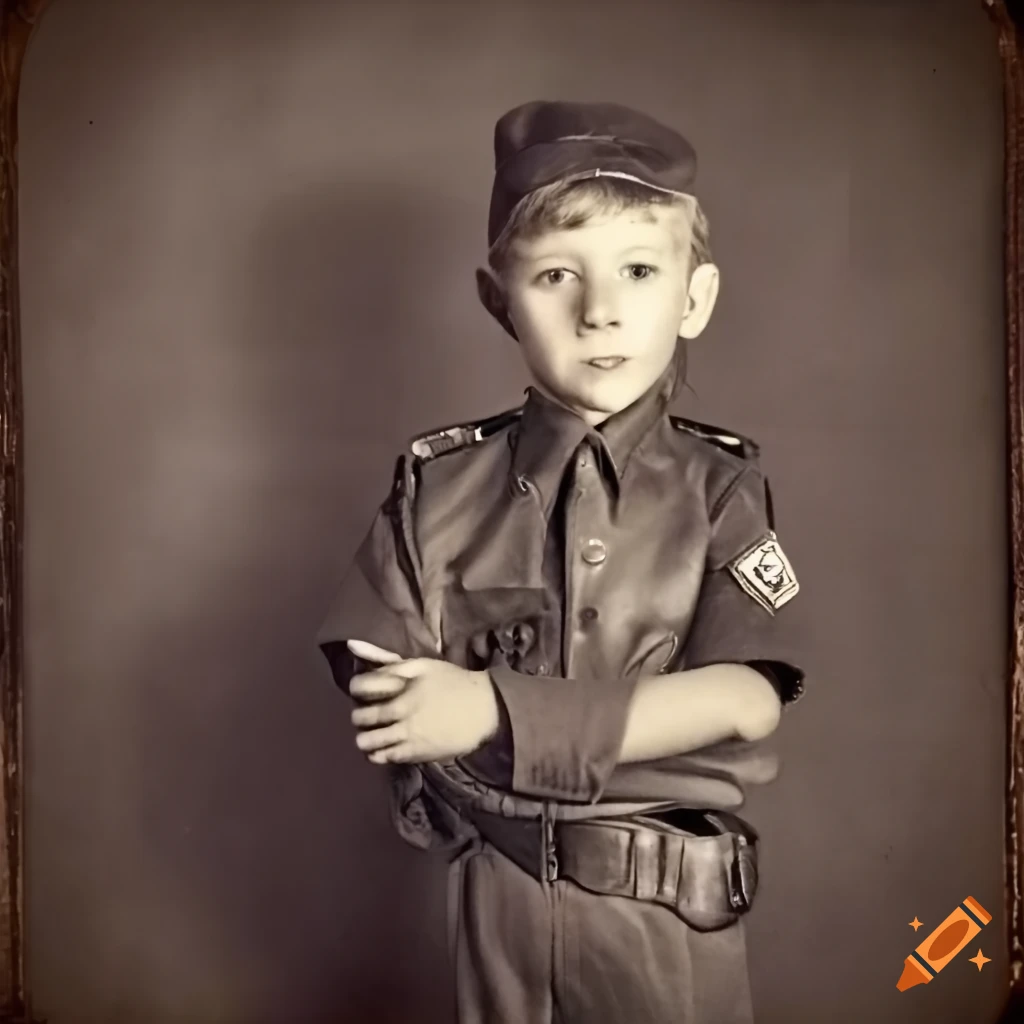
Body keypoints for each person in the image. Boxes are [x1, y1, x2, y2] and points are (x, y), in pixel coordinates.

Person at [316, 99, 806, 1024]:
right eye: (554, 274)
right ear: (498, 299)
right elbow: (377, 677)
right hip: (495, 906)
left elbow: (747, 696)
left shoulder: (719, 488)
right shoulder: (437, 488)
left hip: (664, 912)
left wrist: (491, 707)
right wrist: (425, 716)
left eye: (638, 269)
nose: (600, 311)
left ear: (693, 296)